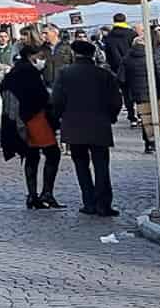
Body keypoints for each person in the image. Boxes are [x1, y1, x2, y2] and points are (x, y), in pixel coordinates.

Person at [51, 40, 123, 218]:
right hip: (100, 125)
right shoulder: (104, 74)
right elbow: (116, 100)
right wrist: (111, 117)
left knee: (81, 166)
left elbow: (57, 100)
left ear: (75, 54)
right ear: (92, 55)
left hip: (73, 126)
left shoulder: (65, 74)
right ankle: (104, 204)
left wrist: (59, 119)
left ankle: (89, 202)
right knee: (101, 165)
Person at [0, 43, 64, 209]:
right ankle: (46, 193)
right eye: (39, 57)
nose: (42, 60)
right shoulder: (29, 72)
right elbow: (40, 97)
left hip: (19, 120)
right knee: (52, 153)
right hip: (35, 118)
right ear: (31, 56)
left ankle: (33, 195)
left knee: (31, 156)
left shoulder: (13, 72)